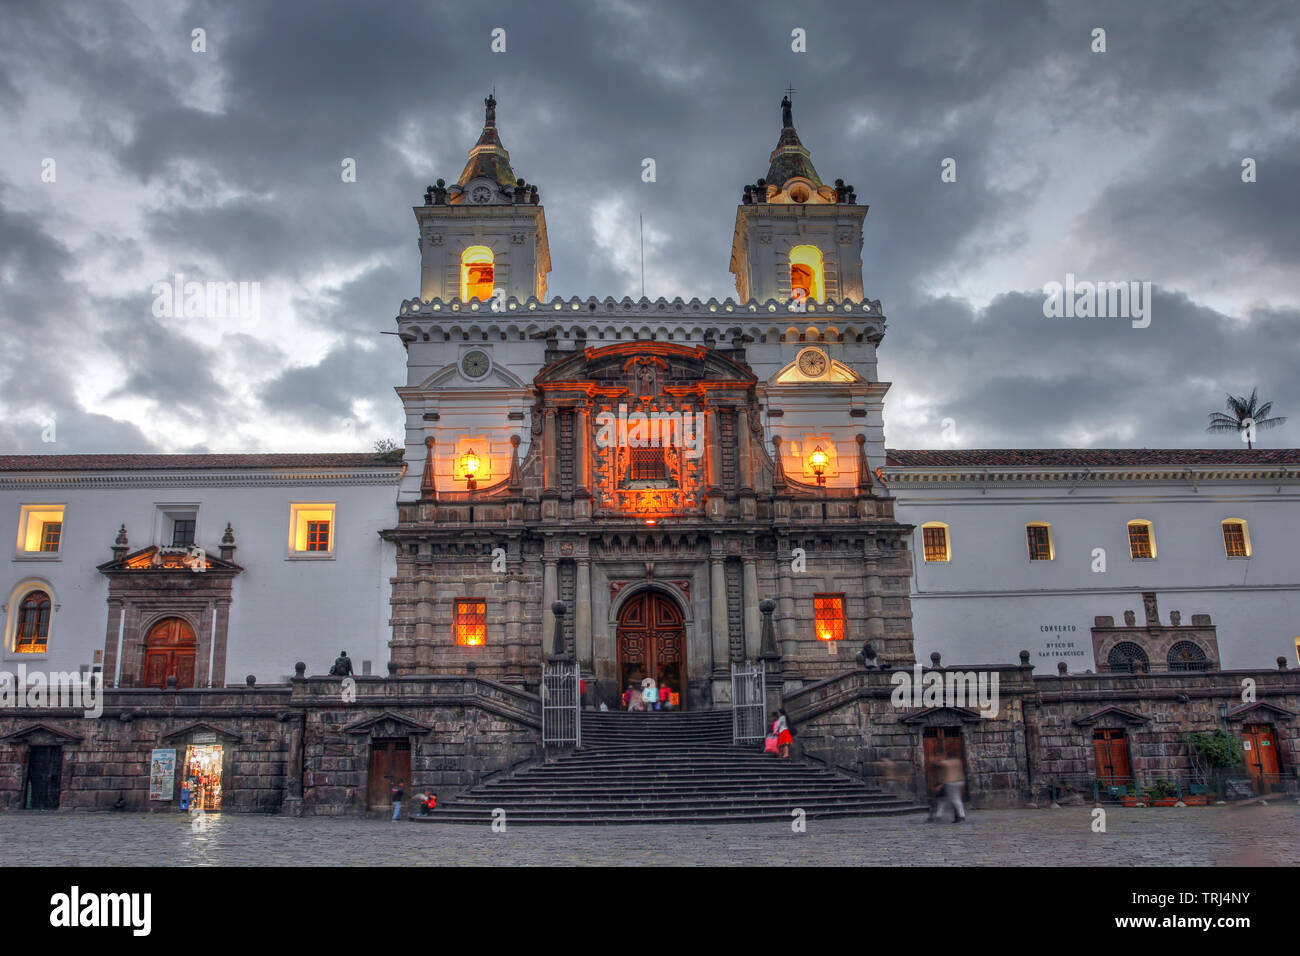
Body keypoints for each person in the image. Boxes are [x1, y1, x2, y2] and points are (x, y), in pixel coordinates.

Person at [929, 757, 967, 824]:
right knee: (953, 799)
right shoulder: (957, 761)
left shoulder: (946, 763)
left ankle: (961, 815)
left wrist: (940, 785)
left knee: (953, 799)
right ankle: (959, 815)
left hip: (950, 782)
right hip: (959, 781)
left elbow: (938, 765)